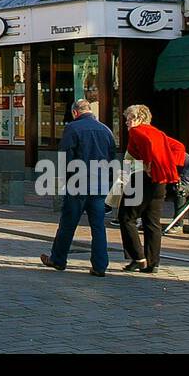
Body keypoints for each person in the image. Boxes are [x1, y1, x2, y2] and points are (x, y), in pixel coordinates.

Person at [40, 99, 116, 277]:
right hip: (100, 185)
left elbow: (65, 157)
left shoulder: (72, 128)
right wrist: (109, 182)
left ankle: (58, 259)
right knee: (98, 226)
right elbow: (112, 158)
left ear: (75, 112)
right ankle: (100, 266)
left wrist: (66, 181)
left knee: (68, 223)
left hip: (78, 184)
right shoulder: (106, 130)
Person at [118, 104, 185, 274]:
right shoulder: (158, 133)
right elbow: (179, 147)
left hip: (143, 178)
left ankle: (138, 257)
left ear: (139, 118)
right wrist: (168, 165)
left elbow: (147, 145)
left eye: (130, 118)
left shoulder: (137, 131)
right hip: (160, 181)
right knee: (152, 221)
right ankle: (152, 262)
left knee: (126, 217)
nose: (127, 122)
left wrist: (148, 163)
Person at [165, 152, 189, 234]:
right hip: (172, 184)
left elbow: (186, 181)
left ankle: (178, 225)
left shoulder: (185, 159)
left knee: (181, 191)